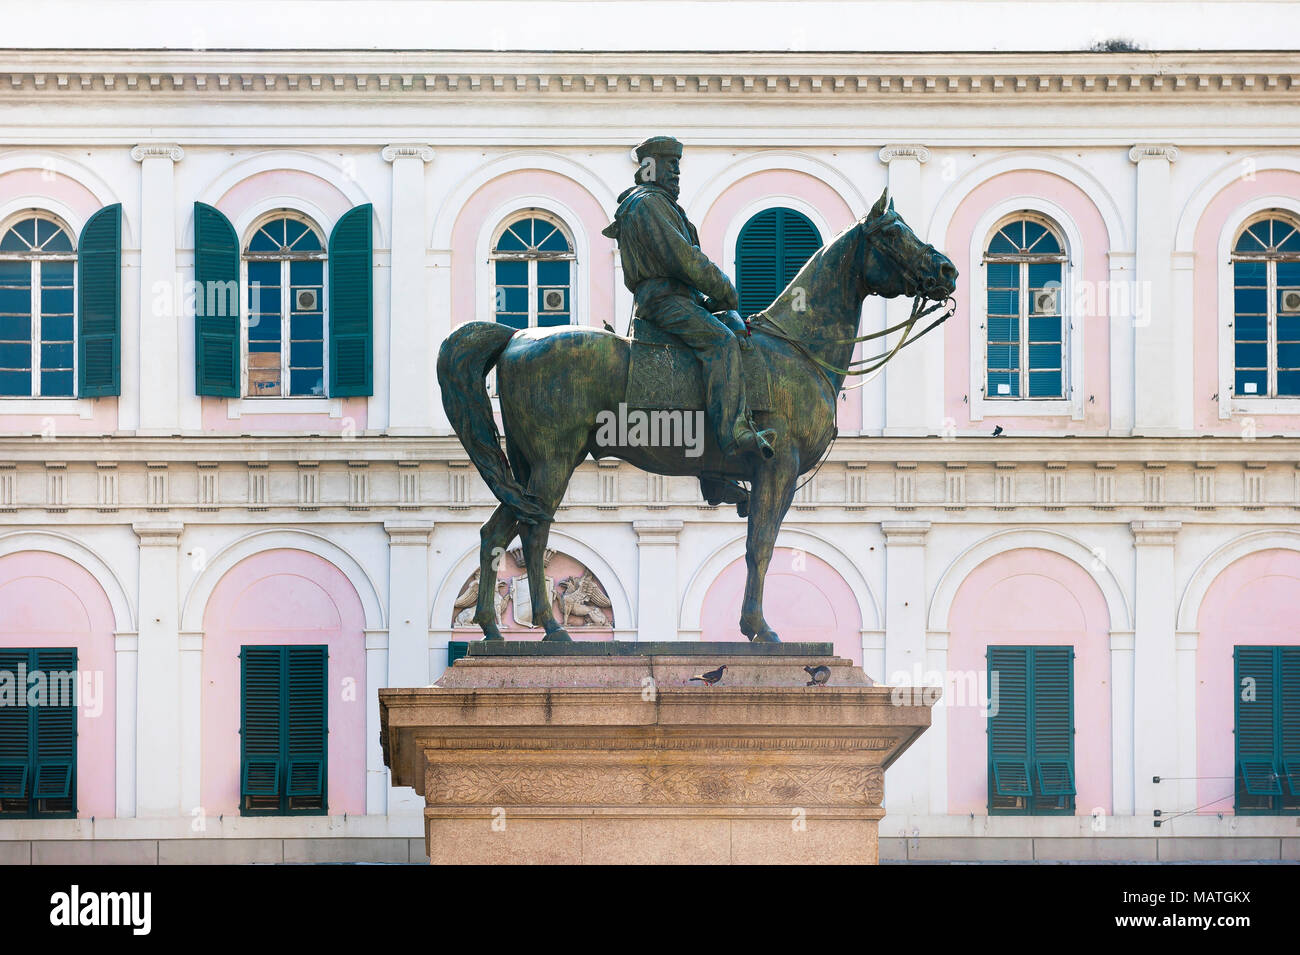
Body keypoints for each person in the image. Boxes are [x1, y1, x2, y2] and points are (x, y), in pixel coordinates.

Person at [602, 135, 775, 463]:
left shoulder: (658, 204)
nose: (675, 173)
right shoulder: (648, 203)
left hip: (680, 297)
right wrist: (724, 288)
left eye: (677, 166)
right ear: (649, 168)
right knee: (721, 342)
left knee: (734, 330)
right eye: (669, 166)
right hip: (665, 300)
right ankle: (733, 436)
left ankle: (712, 467)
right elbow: (684, 258)